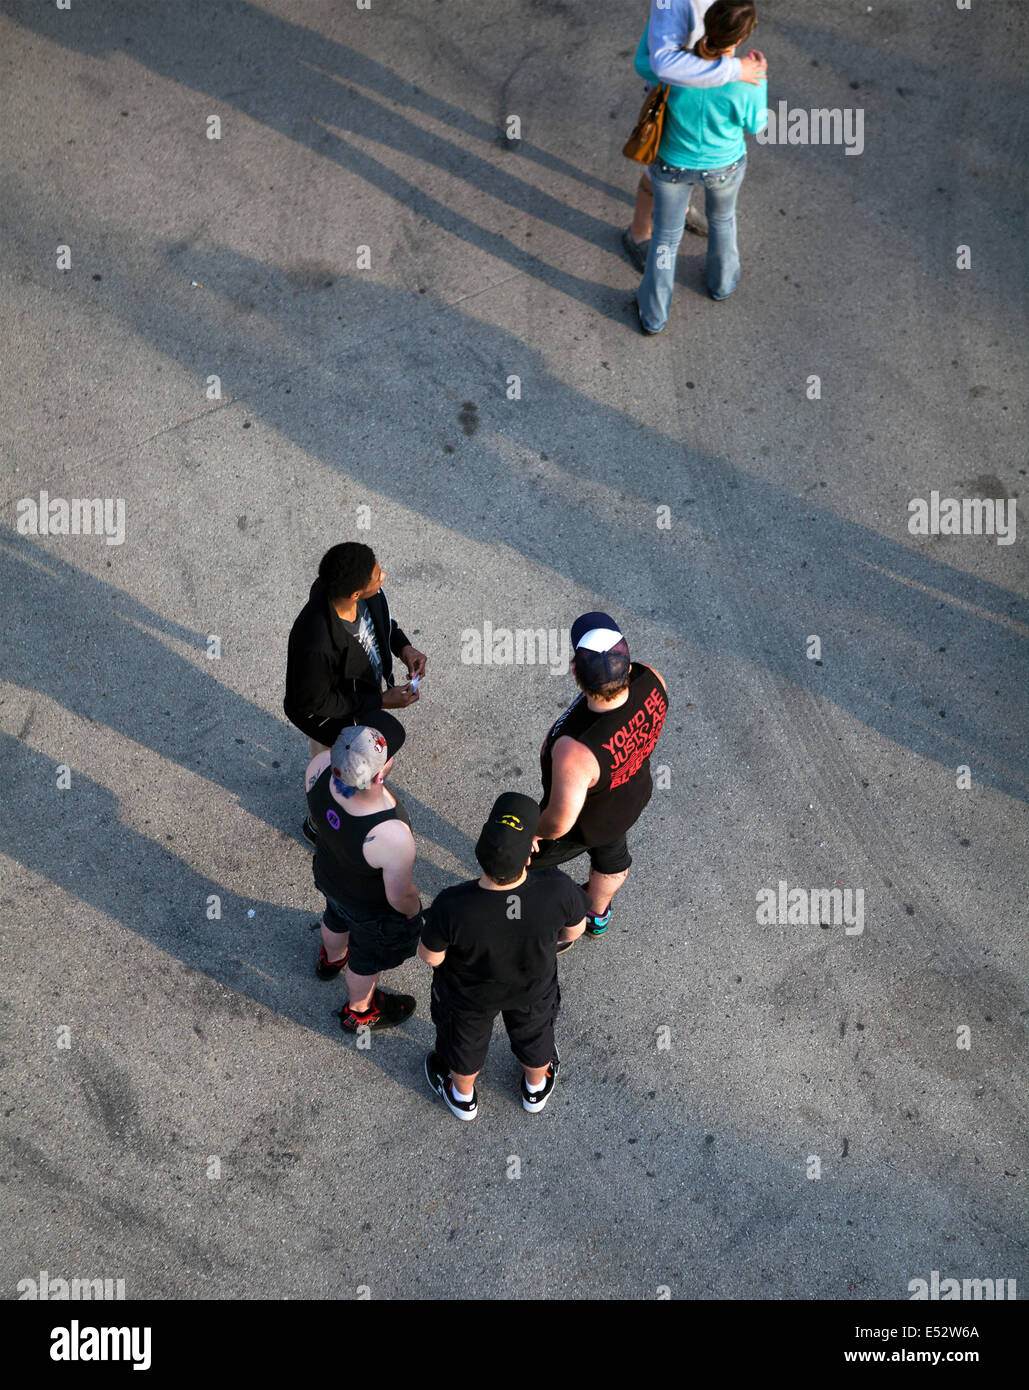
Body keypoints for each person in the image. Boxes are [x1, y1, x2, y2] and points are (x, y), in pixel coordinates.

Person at [418, 794, 588, 1121]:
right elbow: (574, 930)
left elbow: (431, 957)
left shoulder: (451, 905)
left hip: (469, 996)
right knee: (536, 1035)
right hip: (532, 988)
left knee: (464, 1043)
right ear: (530, 854)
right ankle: (535, 1088)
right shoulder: (557, 888)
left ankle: (462, 1097)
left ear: (480, 849)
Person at [530, 613, 668, 949]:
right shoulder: (653, 679)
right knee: (612, 858)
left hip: (586, 819)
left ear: (576, 671)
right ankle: (597, 914)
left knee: (519, 866)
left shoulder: (577, 751)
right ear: (629, 663)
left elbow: (561, 821)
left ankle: (552, 926)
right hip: (629, 794)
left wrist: (533, 833)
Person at [634, 0, 768, 334]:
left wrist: (657, 30)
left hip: (671, 164)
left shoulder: (675, 69)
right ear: (744, 36)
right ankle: (722, 283)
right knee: (723, 221)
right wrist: (755, 76)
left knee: (665, 238)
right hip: (724, 165)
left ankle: (654, 314)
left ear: (707, 20)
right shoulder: (749, 77)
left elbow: (644, 62)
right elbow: (756, 124)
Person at [284, 542, 426, 844]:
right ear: (355, 594)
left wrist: (403, 647)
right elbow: (313, 701)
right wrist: (381, 701)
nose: (383, 575)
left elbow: (383, 624)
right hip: (328, 713)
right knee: (335, 766)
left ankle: (347, 794)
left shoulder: (360, 598)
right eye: (377, 575)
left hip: (357, 694)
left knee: (371, 756)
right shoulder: (316, 641)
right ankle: (321, 821)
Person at [305, 710, 423, 1032]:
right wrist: (414, 913)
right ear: (380, 773)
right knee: (366, 960)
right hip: (368, 907)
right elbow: (400, 896)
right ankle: (359, 1011)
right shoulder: (390, 834)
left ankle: (330, 960)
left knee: (333, 918)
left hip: (329, 877)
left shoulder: (317, 769)